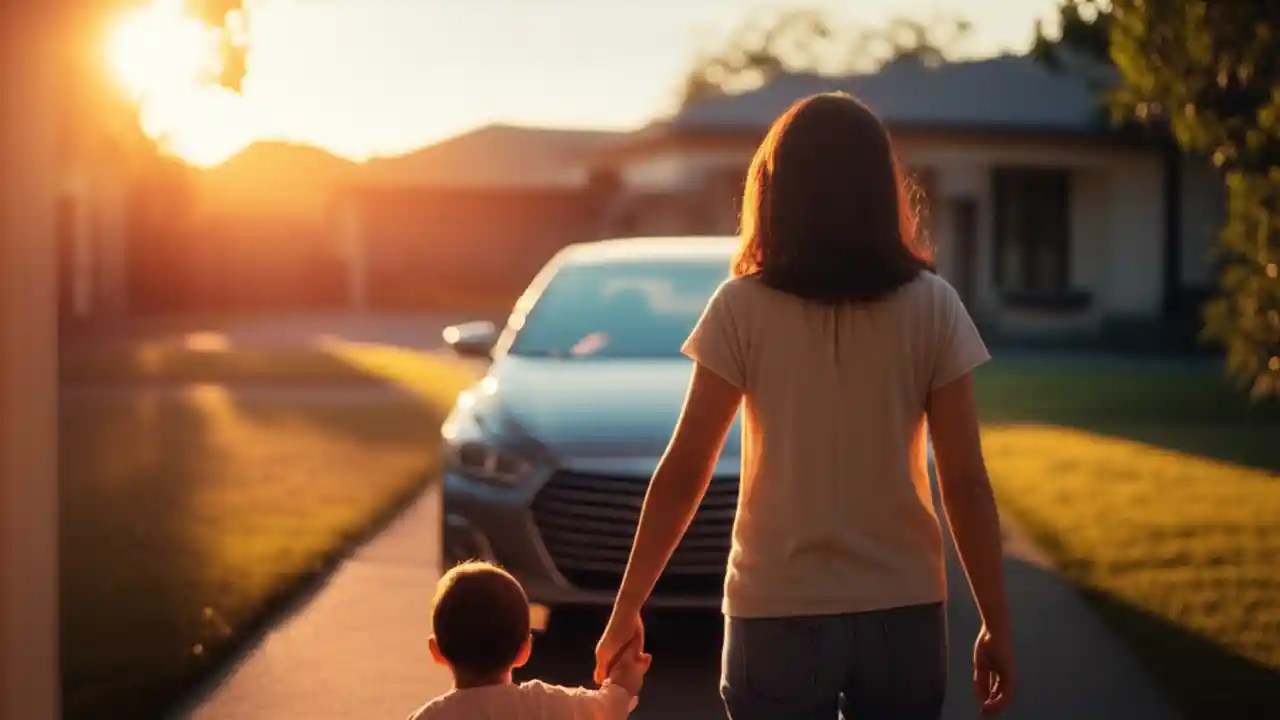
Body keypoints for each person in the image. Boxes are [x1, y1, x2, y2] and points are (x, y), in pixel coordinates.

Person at [594, 92, 1015, 719]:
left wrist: (626, 607)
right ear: (881, 189)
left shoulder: (741, 307)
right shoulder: (933, 305)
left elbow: (685, 469)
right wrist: (995, 623)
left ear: (774, 190)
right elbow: (963, 480)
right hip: (902, 610)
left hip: (774, 609)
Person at [409, 561, 650, 720]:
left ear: (436, 651)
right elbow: (608, 709)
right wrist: (624, 676)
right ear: (524, 650)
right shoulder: (544, 705)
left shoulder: (429, 717)